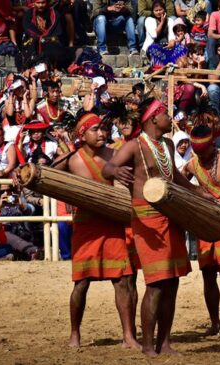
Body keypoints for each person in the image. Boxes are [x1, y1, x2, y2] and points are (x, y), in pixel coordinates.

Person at [103, 99, 207, 356]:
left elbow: (174, 176)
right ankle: (148, 344)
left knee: (171, 282)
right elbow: (108, 167)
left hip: (171, 214)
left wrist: (197, 190)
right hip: (147, 218)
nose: (170, 117)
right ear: (153, 118)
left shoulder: (168, 144)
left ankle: (165, 342)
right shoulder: (134, 146)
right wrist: (116, 172)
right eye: (165, 113)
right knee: (156, 283)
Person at [60, 113, 139, 349]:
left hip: (112, 222)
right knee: (81, 283)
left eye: (104, 129)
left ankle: (128, 336)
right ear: (82, 135)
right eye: (95, 130)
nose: (102, 134)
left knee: (123, 280)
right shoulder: (72, 159)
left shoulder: (114, 155)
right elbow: (45, 173)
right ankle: (75, 333)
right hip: (87, 225)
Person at [182, 125, 220, 335]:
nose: (200, 155)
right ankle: (214, 322)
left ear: (212, 145)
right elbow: (179, 183)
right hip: (205, 225)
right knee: (208, 274)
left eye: (204, 151)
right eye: (196, 152)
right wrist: (195, 193)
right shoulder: (192, 165)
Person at [143, 1, 188, 69]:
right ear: (153, 11)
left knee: (181, 47)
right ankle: (161, 65)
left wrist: (171, 42)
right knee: (153, 48)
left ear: (164, 10)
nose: (158, 12)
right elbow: (154, 35)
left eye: (160, 10)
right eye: (156, 10)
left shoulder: (170, 20)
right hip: (156, 47)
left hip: (167, 47)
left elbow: (172, 36)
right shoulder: (149, 20)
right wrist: (162, 22)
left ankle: (171, 63)